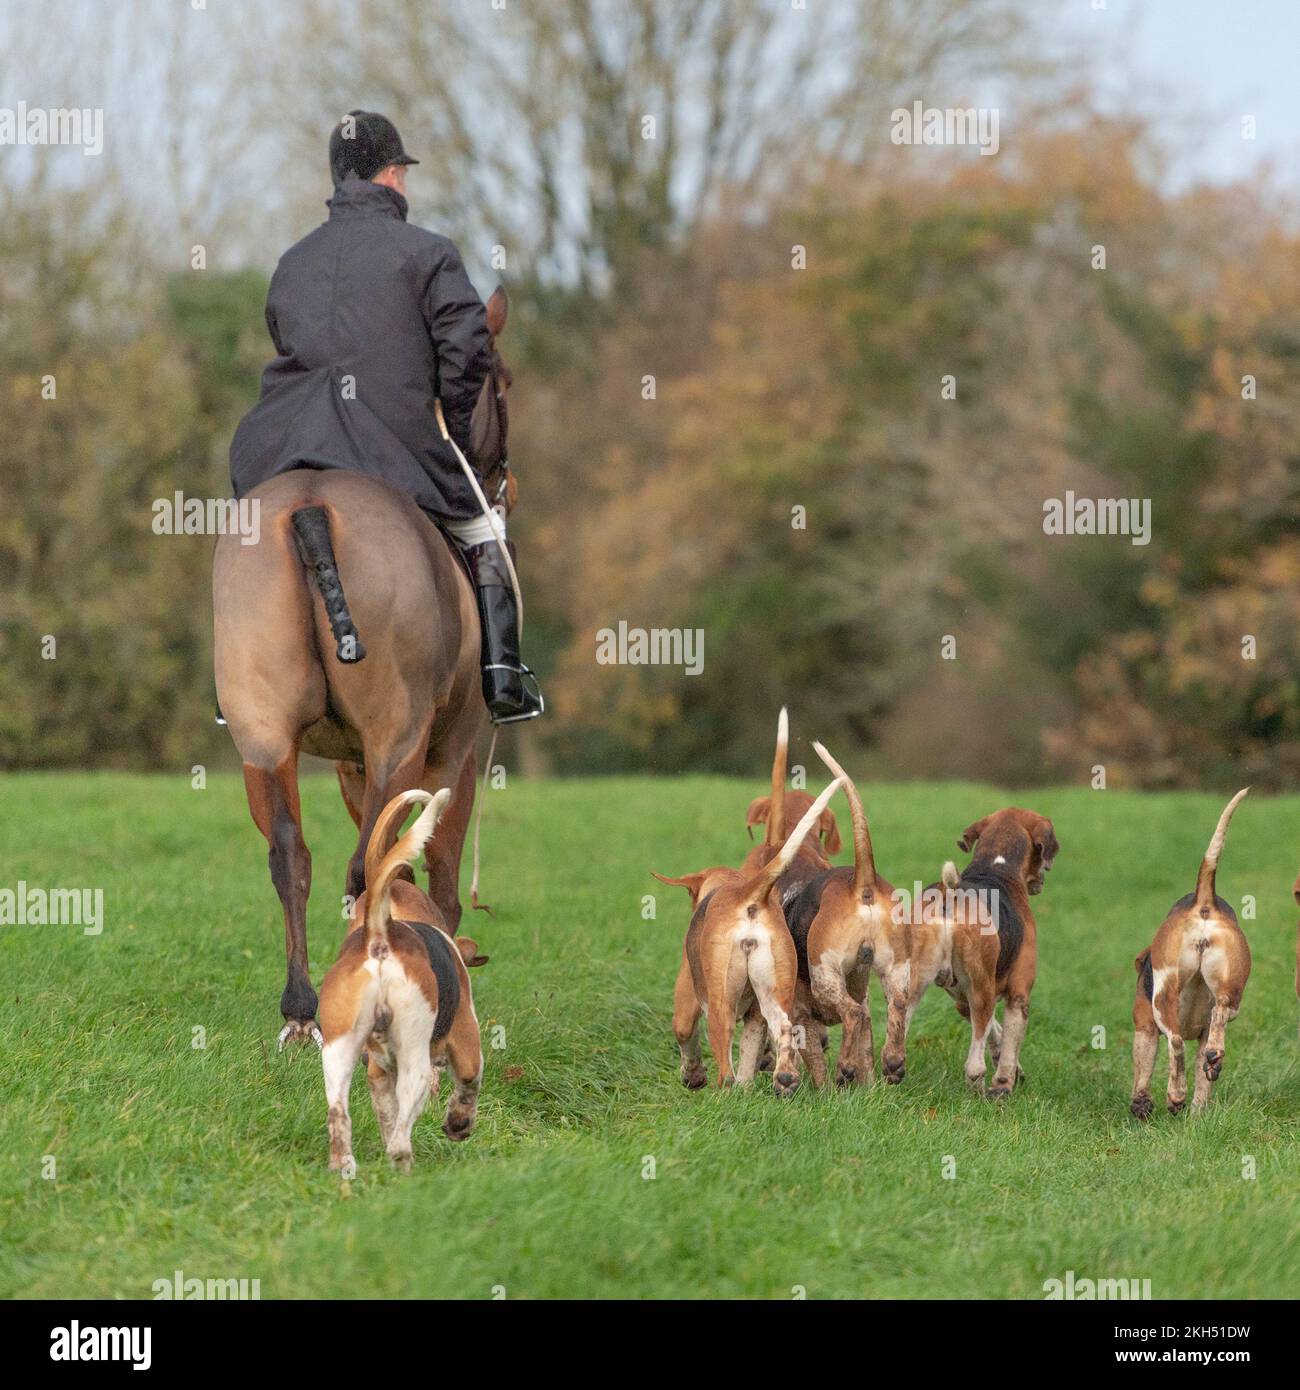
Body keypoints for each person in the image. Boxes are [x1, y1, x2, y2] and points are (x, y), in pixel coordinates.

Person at [228, 110, 543, 723]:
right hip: (390, 442)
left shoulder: (292, 263)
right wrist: (452, 428)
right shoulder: (429, 254)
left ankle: (235, 683)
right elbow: (468, 351)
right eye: (403, 172)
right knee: (485, 529)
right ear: (393, 174)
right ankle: (503, 678)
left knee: (248, 532)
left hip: (284, 444)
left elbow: (286, 344)